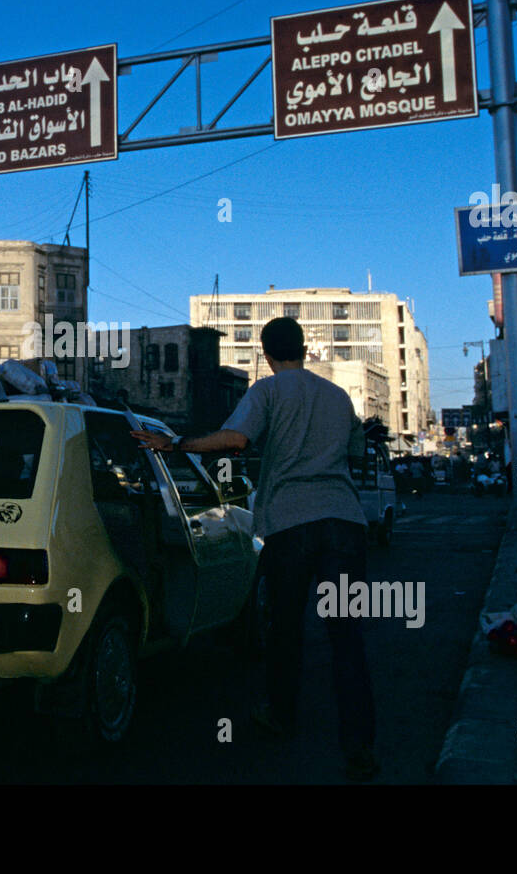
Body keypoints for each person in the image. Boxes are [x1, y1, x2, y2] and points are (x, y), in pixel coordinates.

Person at [130, 316, 377, 781]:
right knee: (347, 638)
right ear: (304, 349)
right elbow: (358, 453)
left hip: (291, 525)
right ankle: (360, 745)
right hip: (344, 524)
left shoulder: (267, 391)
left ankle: (282, 716)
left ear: (266, 354)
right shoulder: (339, 397)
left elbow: (235, 439)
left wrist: (176, 443)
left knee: (285, 627)